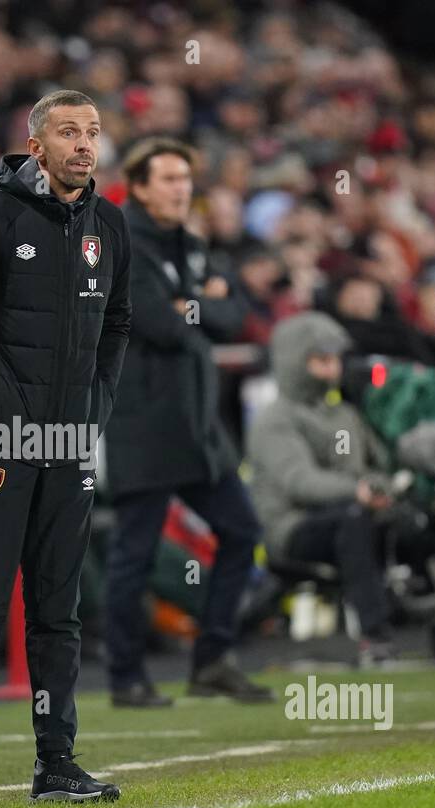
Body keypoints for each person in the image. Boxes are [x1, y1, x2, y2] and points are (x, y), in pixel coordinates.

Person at [0, 90, 131, 805]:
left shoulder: (110, 225)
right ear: (36, 146)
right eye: (68, 132)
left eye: (93, 132)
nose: (84, 144)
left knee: (57, 609)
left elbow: (120, 322)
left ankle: (55, 762)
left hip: (70, 442)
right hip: (1, 440)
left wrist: (97, 403)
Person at [103, 137, 271, 707]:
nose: (181, 189)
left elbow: (236, 313)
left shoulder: (192, 245)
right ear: (140, 186)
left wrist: (195, 302)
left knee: (242, 531)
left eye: (185, 178)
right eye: (169, 179)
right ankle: (125, 675)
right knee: (136, 551)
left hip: (199, 424)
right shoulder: (119, 240)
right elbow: (159, 323)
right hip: (143, 419)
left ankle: (214, 660)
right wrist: (201, 303)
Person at [247, 312, 397, 666]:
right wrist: (358, 490)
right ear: (294, 363)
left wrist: (382, 488)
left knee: (415, 517)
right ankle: (375, 634)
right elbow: (299, 482)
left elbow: (378, 466)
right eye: (320, 361)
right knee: (353, 518)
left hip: (350, 511)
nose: (332, 370)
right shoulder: (275, 419)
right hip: (293, 527)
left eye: (334, 360)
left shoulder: (343, 414)